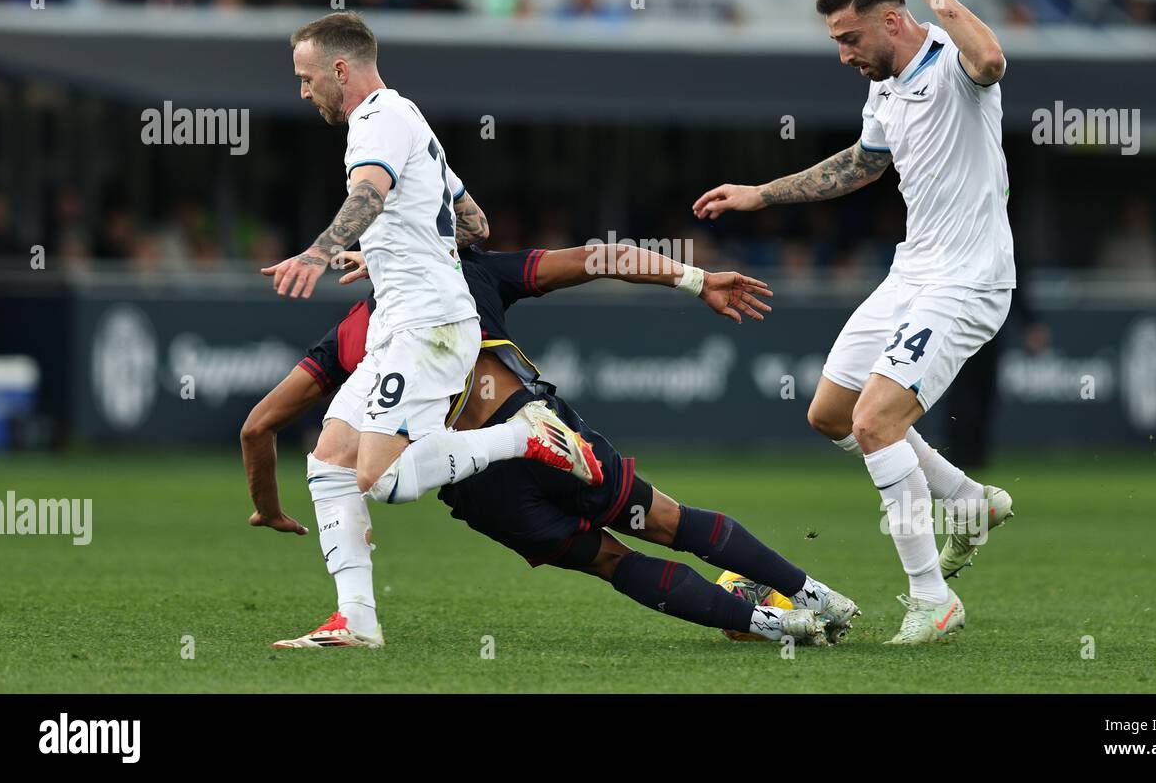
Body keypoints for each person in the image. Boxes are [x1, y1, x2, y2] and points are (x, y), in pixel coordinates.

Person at [244, 242, 858, 647]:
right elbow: (602, 257)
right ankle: (821, 600)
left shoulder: (352, 332)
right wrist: (694, 280)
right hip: (540, 431)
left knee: (613, 563)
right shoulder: (474, 271)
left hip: (479, 489)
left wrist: (268, 506)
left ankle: (783, 627)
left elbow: (259, 425)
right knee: (668, 521)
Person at [692, 0, 1016, 644]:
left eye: (849, 38)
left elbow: (994, 59)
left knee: (875, 423)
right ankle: (966, 499)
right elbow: (863, 164)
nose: (841, 53)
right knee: (831, 415)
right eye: (835, 40)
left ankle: (932, 597)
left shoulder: (954, 64)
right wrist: (761, 193)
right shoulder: (884, 86)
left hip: (968, 279)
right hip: (913, 272)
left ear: (894, 22)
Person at [257, 12, 602, 646]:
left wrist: (317, 251)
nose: (303, 92)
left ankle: (524, 437)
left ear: (340, 69)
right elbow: (474, 224)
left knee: (382, 480)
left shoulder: (376, 121)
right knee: (328, 465)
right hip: (404, 319)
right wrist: (384, 251)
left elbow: (370, 194)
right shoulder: (410, 117)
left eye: (307, 79)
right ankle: (355, 621)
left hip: (430, 324)